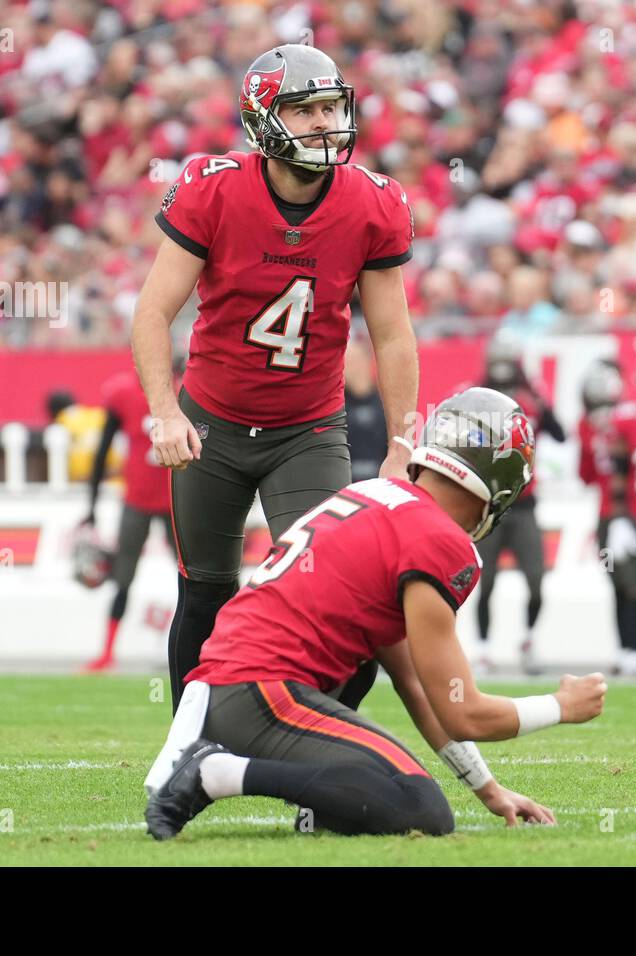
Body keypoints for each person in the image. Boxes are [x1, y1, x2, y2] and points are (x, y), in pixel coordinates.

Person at [142, 388, 606, 839]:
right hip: (261, 690)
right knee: (421, 808)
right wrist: (561, 706)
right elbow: (466, 714)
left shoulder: (378, 496)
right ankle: (215, 773)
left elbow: (417, 686)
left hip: (230, 686)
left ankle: (301, 800)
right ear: (500, 486)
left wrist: (487, 789)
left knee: (406, 789)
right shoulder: (437, 539)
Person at [131, 45, 419, 712]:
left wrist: (404, 442)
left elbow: (393, 334)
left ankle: (311, 755)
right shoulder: (213, 185)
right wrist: (163, 412)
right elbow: (153, 311)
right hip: (211, 423)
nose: (324, 122)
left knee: (337, 600)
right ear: (264, 119)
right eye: (304, 109)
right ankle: (192, 747)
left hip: (309, 431)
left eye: (329, 107)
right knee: (205, 590)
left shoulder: (372, 204)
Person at [472, 334, 566, 673]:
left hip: (525, 503)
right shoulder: (475, 400)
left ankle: (528, 641)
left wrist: (540, 403)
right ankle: (483, 649)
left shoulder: (531, 399)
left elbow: (559, 433)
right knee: (486, 580)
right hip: (489, 505)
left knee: (537, 579)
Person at [78, 361, 180, 672]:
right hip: (138, 499)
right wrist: (92, 506)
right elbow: (103, 448)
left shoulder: (182, 389)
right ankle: (107, 652)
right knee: (123, 577)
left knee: (194, 576)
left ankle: (211, 646)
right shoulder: (123, 394)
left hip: (176, 498)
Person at [578, 362, 636, 676]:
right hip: (628, 514)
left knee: (633, 586)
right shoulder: (633, 417)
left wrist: (621, 513)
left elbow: (595, 473)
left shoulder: (610, 423)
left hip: (623, 514)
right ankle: (632, 649)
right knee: (626, 586)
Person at [343, 337, 388, 484]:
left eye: (356, 360)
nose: (353, 368)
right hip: (345, 483)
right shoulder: (335, 408)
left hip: (380, 483)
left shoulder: (386, 404)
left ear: (367, 362)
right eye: (347, 362)